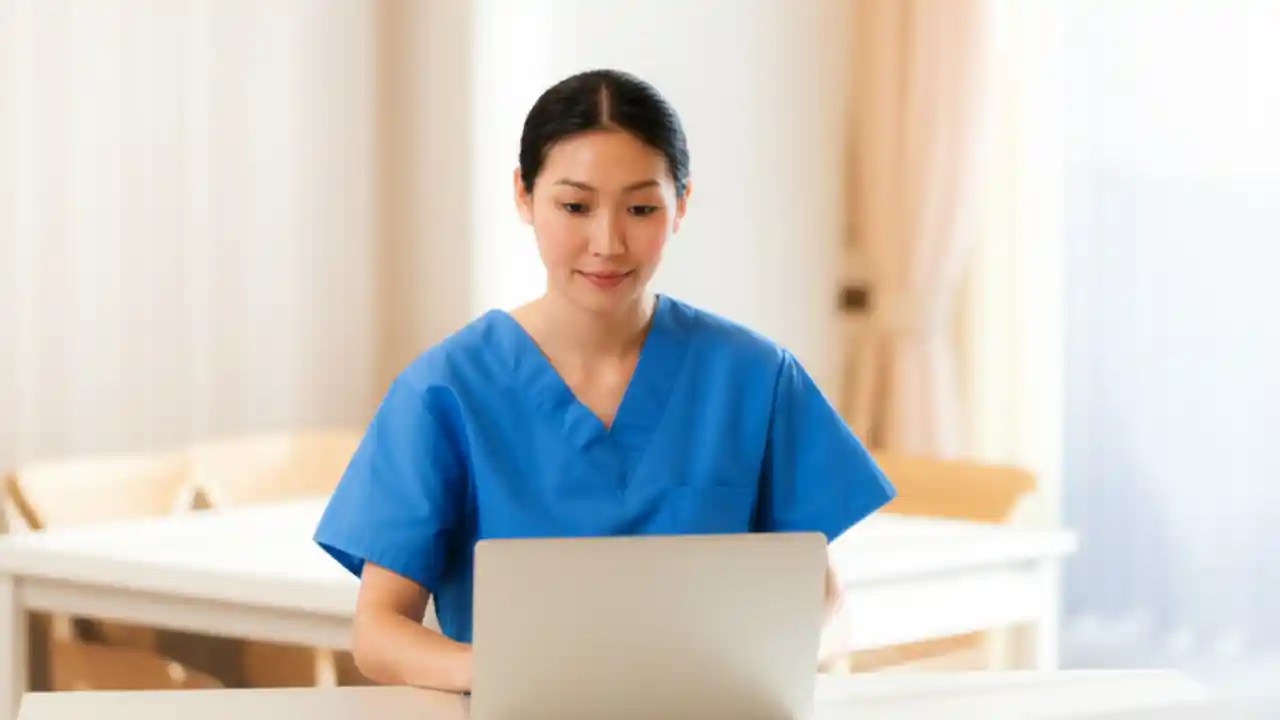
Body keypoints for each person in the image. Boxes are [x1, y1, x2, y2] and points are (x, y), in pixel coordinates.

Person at [313, 68, 895, 693]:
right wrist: (511, 676)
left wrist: (782, 660)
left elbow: (824, 598)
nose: (608, 243)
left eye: (641, 208)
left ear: (682, 206)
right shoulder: (445, 391)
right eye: (574, 206)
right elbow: (377, 630)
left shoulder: (754, 378)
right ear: (523, 196)